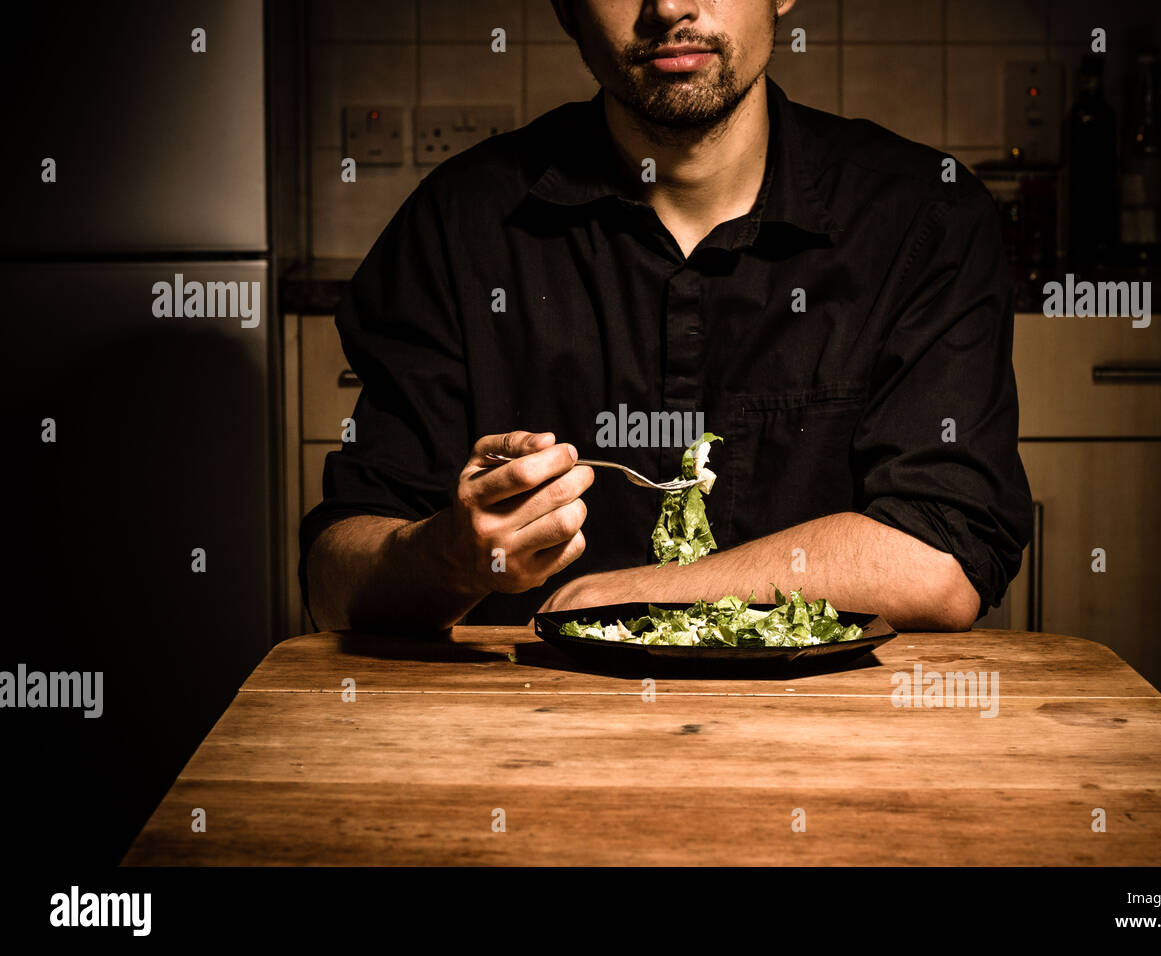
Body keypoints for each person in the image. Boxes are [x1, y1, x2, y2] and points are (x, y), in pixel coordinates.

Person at [300, 0, 1033, 635]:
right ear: (564, 8)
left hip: (835, 749)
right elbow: (332, 584)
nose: (669, 8)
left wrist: (620, 598)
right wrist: (450, 555)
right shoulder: (460, 224)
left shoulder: (924, 217)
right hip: (528, 745)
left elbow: (942, 560)